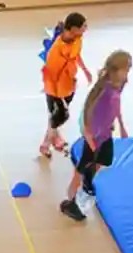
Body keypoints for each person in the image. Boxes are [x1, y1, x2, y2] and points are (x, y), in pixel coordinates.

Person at [61, 50, 131, 221]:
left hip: (106, 133)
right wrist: (89, 135)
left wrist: (121, 125)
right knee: (82, 167)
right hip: (94, 135)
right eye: (126, 69)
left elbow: (116, 106)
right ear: (116, 70)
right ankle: (70, 200)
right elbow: (88, 108)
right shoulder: (103, 88)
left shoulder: (120, 84)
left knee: (104, 161)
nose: (128, 73)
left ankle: (88, 178)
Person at [39, 12, 92, 158]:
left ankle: (54, 136)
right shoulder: (56, 51)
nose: (86, 29)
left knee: (56, 116)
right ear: (73, 29)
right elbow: (51, 74)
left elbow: (76, 54)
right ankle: (45, 144)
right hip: (55, 87)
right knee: (60, 115)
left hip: (69, 83)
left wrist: (85, 70)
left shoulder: (77, 39)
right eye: (83, 27)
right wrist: (56, 96)